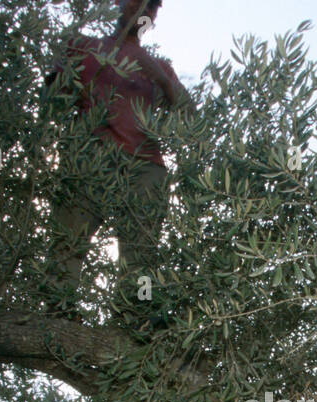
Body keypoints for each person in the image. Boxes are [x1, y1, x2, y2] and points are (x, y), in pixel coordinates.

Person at [43, 0, 191, 323]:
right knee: (69, 238)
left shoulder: (159, 66)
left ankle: (135, 319)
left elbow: (190, 118)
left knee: (142, 254)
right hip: (91, 154)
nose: (145, 10)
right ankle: (58, 311)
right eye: (139, 0)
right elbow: (51, 100)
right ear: (120, 3)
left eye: (153, 7)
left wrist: (163, 82)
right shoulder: (84, 46)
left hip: (146, 167)